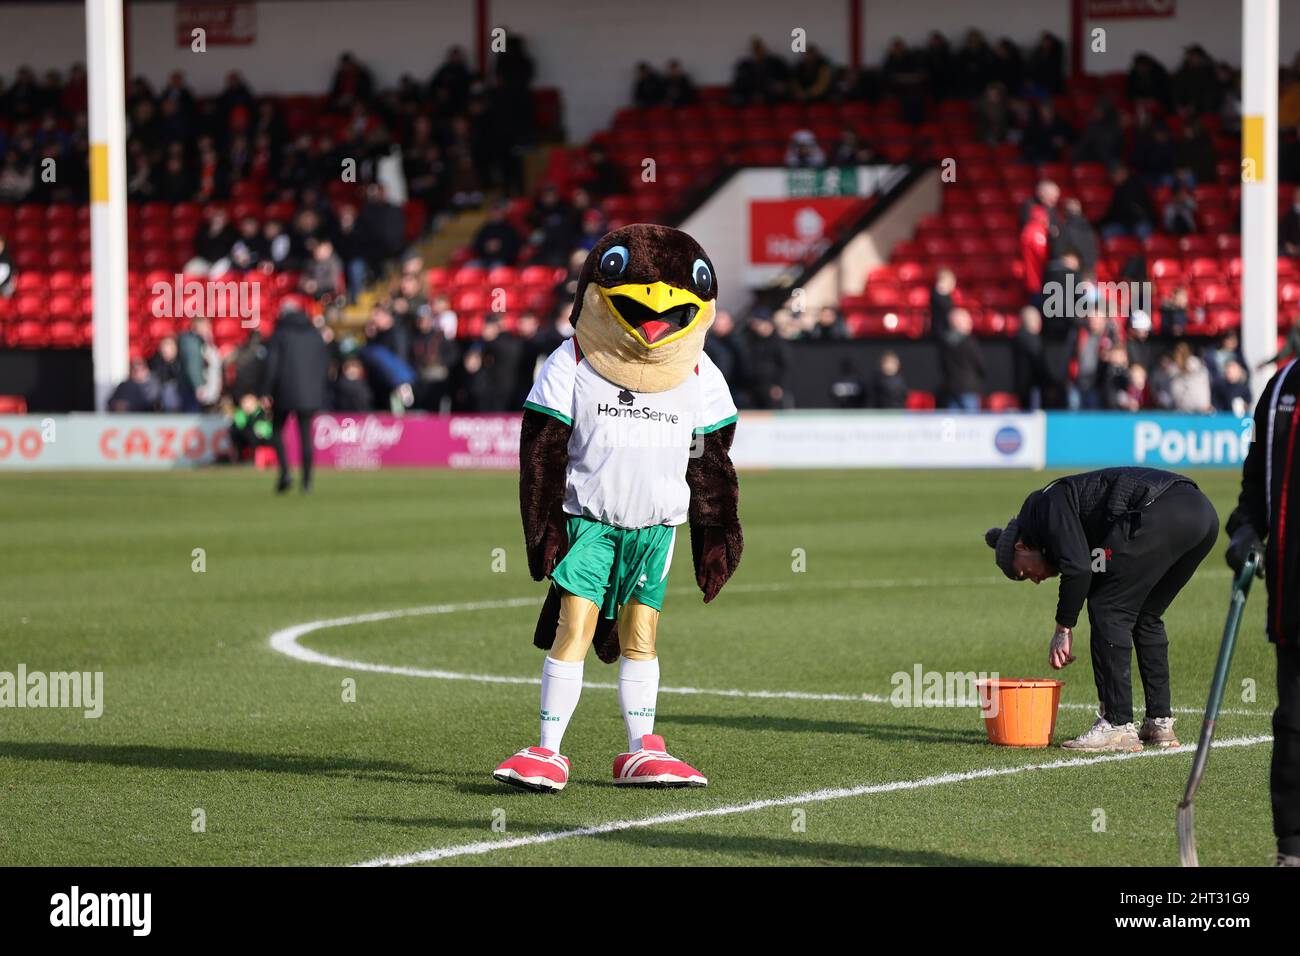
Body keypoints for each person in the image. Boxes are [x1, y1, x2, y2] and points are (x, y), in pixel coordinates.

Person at [986, 468, 1219, 751]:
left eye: (1024, 573)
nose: (1035, 580)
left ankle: (1117, 725)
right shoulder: (1051, 514)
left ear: (1021, 546)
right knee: (1145, 614)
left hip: (1161, 512)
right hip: (1202, 515)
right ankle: (1159, 722)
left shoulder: (1046, 506)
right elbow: (1094, 566)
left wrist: (1063, 628)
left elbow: (1079, 569)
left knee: (1108, 607)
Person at [1226, 358, 1300, 866]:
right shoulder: (1282, 388)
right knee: (1294, 726)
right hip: (1293, 591)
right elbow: (1258, 481)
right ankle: (1290, 851)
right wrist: (1245, 531)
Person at [259, 301, 330, 493]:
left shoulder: (280, 334)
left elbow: (272, 365)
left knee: (276, 431)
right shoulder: (315, 335)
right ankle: (307, 482)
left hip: (284, 391)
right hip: (310, 393)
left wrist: (265, 391)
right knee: (306, 437)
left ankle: (285, 472)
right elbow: (324, 365)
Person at [939, 307, 984, 411]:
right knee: (970, 423)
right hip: (968, 389)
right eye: (967, 320)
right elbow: (980, 365)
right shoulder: (970, 342)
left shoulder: (945, 342)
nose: (970, 323)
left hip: (951, 388)